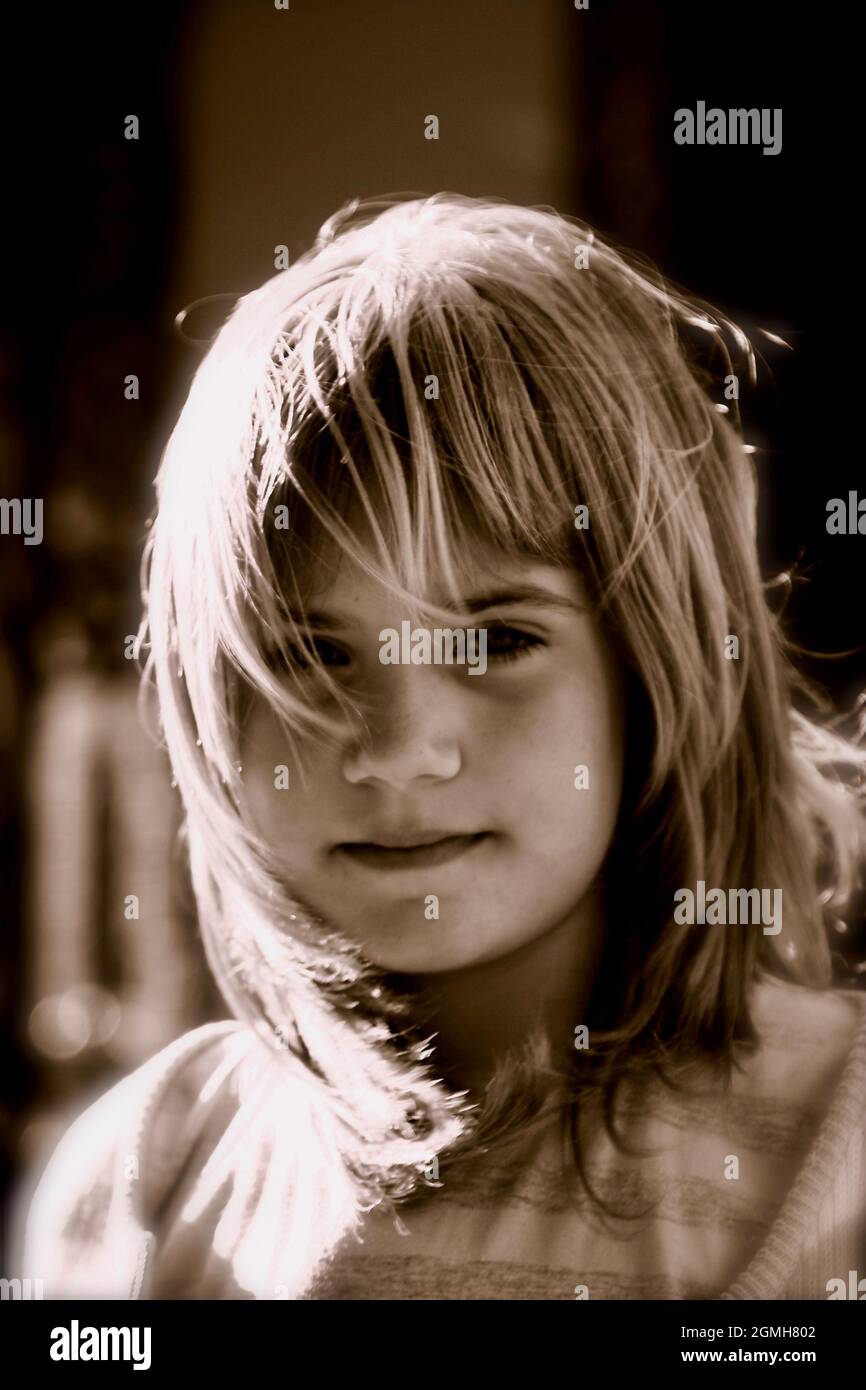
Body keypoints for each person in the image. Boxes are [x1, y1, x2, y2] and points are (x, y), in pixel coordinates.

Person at [21, 193, 866, 1300]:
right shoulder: (146, 1180)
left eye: (496, 639)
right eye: (308, 657)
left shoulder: (837, 1145)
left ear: (651, 669)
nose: (399, 751)